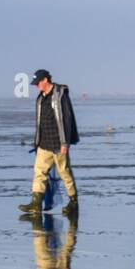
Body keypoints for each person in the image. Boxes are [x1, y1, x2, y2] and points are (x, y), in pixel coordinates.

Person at [18, 69, 79, 219]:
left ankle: (73, 202)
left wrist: (65, 142)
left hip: (59, 144)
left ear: (45, 80)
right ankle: (36, 204)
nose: (36, 86)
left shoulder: (60, 95)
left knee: (65, 173)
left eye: (38, 82)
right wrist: (37, 143)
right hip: (44, 144)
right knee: (39, 173)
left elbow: (67, 118)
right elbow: (39, 122)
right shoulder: (40, 98)